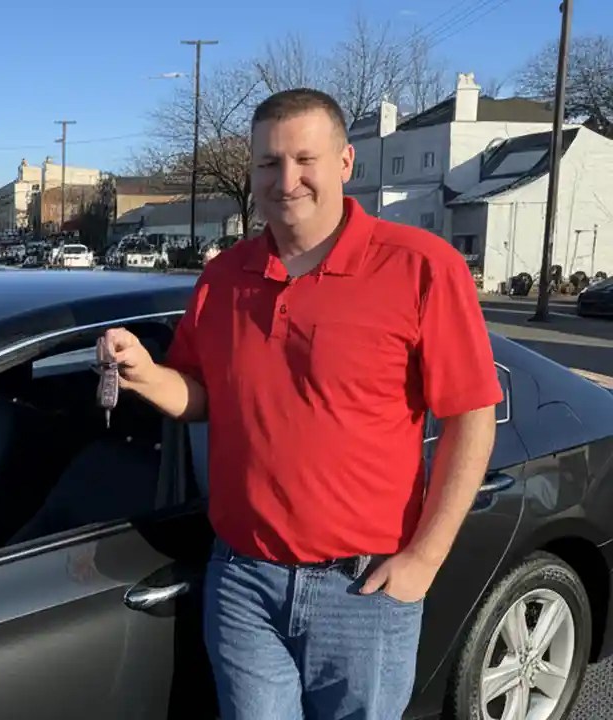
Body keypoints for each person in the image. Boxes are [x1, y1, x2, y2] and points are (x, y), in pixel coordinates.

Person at [103, 88, 500, 719]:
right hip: (244, 580)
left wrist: (426, 557)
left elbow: (471, 417)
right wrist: (145, 374)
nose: (286, 180)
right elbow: (201, 396)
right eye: (268, 163)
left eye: (304, 159)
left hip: (364, 588)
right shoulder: (224, 277)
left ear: (346, 162)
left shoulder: (421, 267)